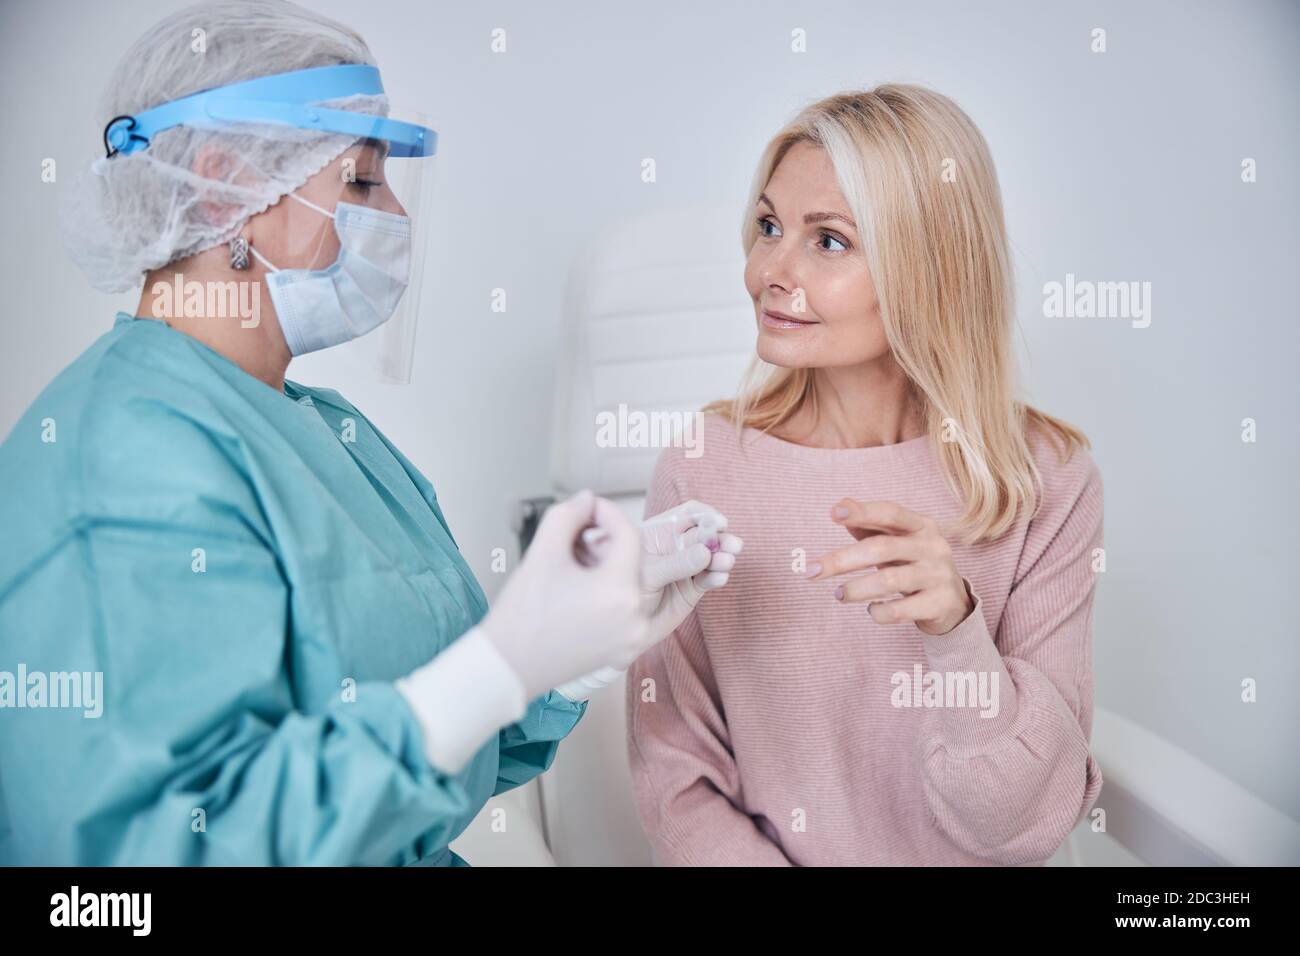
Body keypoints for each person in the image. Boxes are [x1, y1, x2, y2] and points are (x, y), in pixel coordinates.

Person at [0, 0, 742, 866]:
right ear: (223, 180)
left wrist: (555, 662)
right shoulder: (118, 455)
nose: (392, 213)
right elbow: (151, 856)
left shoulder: (323, 427)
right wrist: (500, 665)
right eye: (360, 181)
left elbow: (419, 765)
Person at [626, 86, 1104, 866]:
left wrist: (955, 633)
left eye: (830, 242)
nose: (770, 271)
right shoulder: (702, 469)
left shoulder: (1044, 480)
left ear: (930, 267)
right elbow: (676, 778)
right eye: (770, 227)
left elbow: (1022, 826)